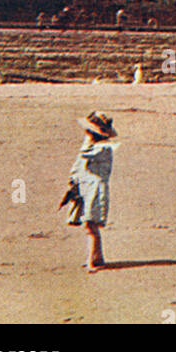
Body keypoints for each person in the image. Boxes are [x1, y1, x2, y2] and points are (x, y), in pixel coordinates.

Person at [67, 111, 118, 273]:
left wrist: (87, 140)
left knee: (91, 225)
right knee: (89, 224)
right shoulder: (97, 146)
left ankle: (92, 262)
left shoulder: (103, 148)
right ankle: (97, 257)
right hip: (87, 186)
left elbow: (85, 154)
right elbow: (78, 165)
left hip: (96, 189)